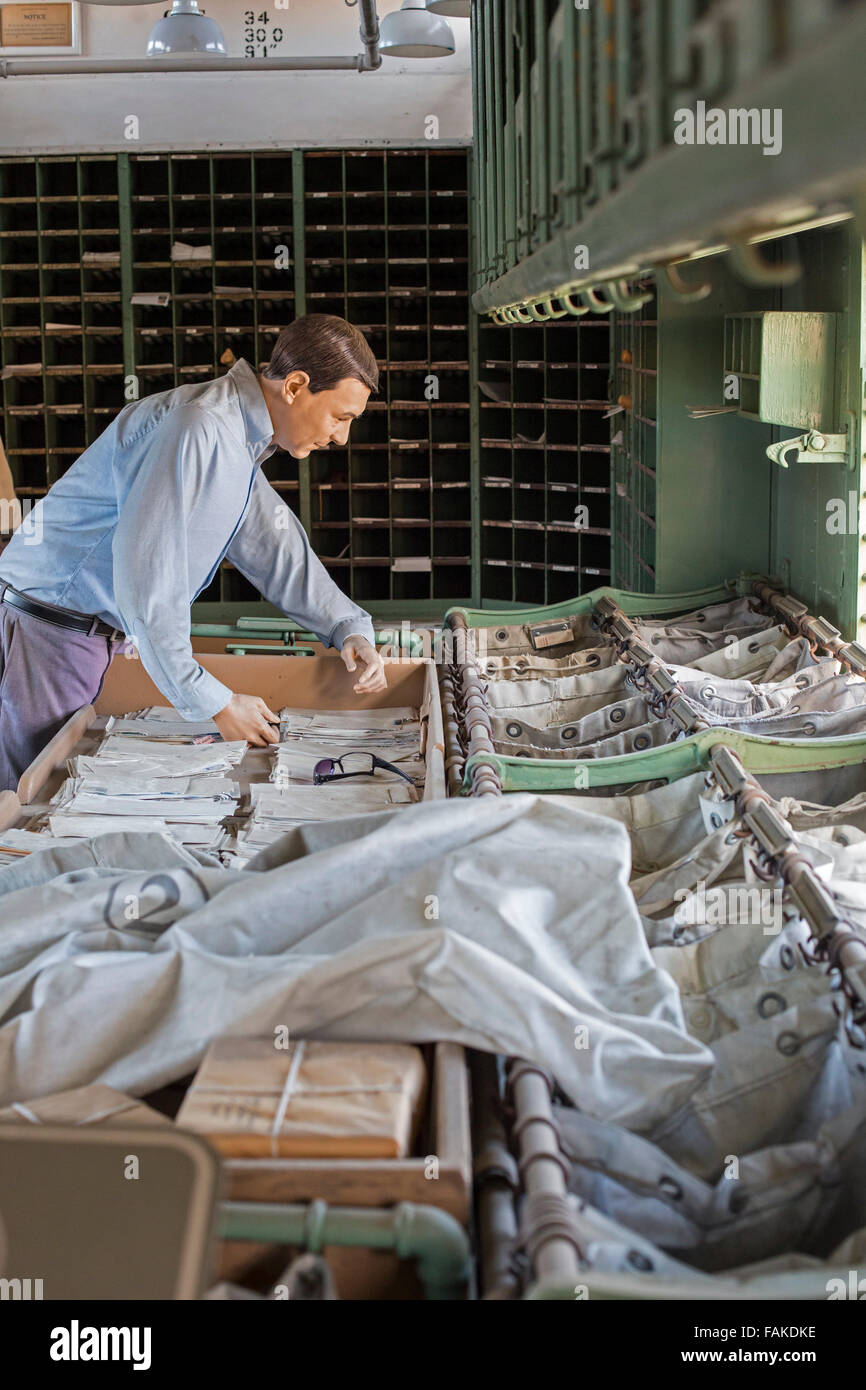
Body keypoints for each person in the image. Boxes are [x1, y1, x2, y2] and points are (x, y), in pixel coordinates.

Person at [0, 314, 387, 791]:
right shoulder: (200, 428)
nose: (341, 437)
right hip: (51, 631)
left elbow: (274, 545)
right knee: (27, 806)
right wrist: (215, 703)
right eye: (340, 417)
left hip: (73, 632)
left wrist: (347, 628)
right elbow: (148, 584)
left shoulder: (235, 436)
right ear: (295, 386)